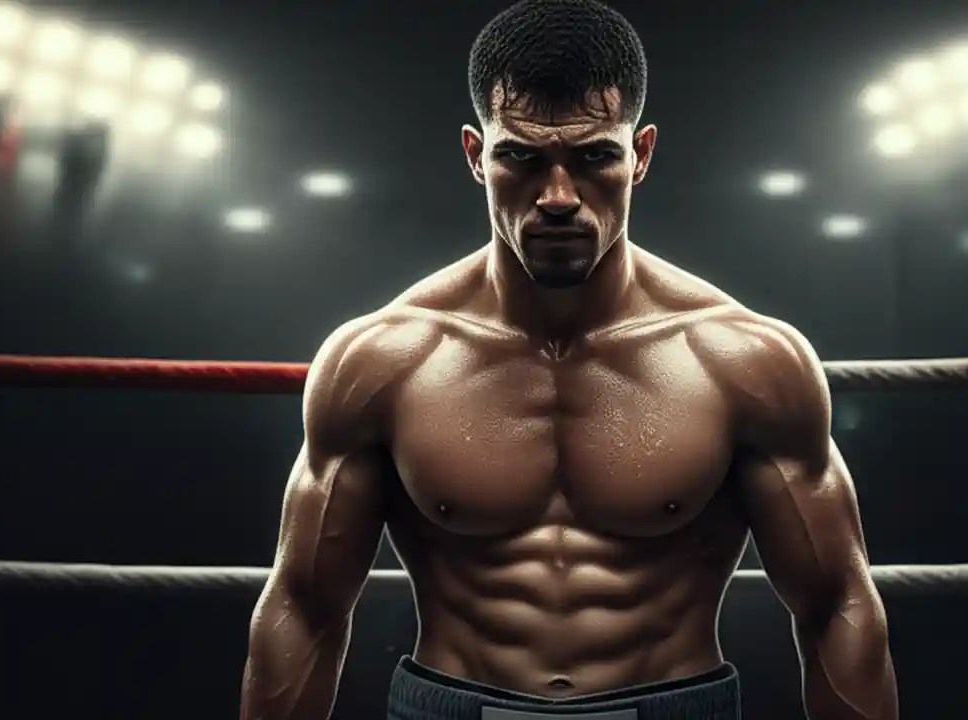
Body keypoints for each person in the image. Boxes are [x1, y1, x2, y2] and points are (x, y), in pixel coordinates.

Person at [240, 1, 897, 718]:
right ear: (474, 155)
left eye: (594, 158)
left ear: (639, 155)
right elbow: (305, 608)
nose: (557, 197)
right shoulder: (384, 359)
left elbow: (837, 604)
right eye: (520, 156)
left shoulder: (742, 359)